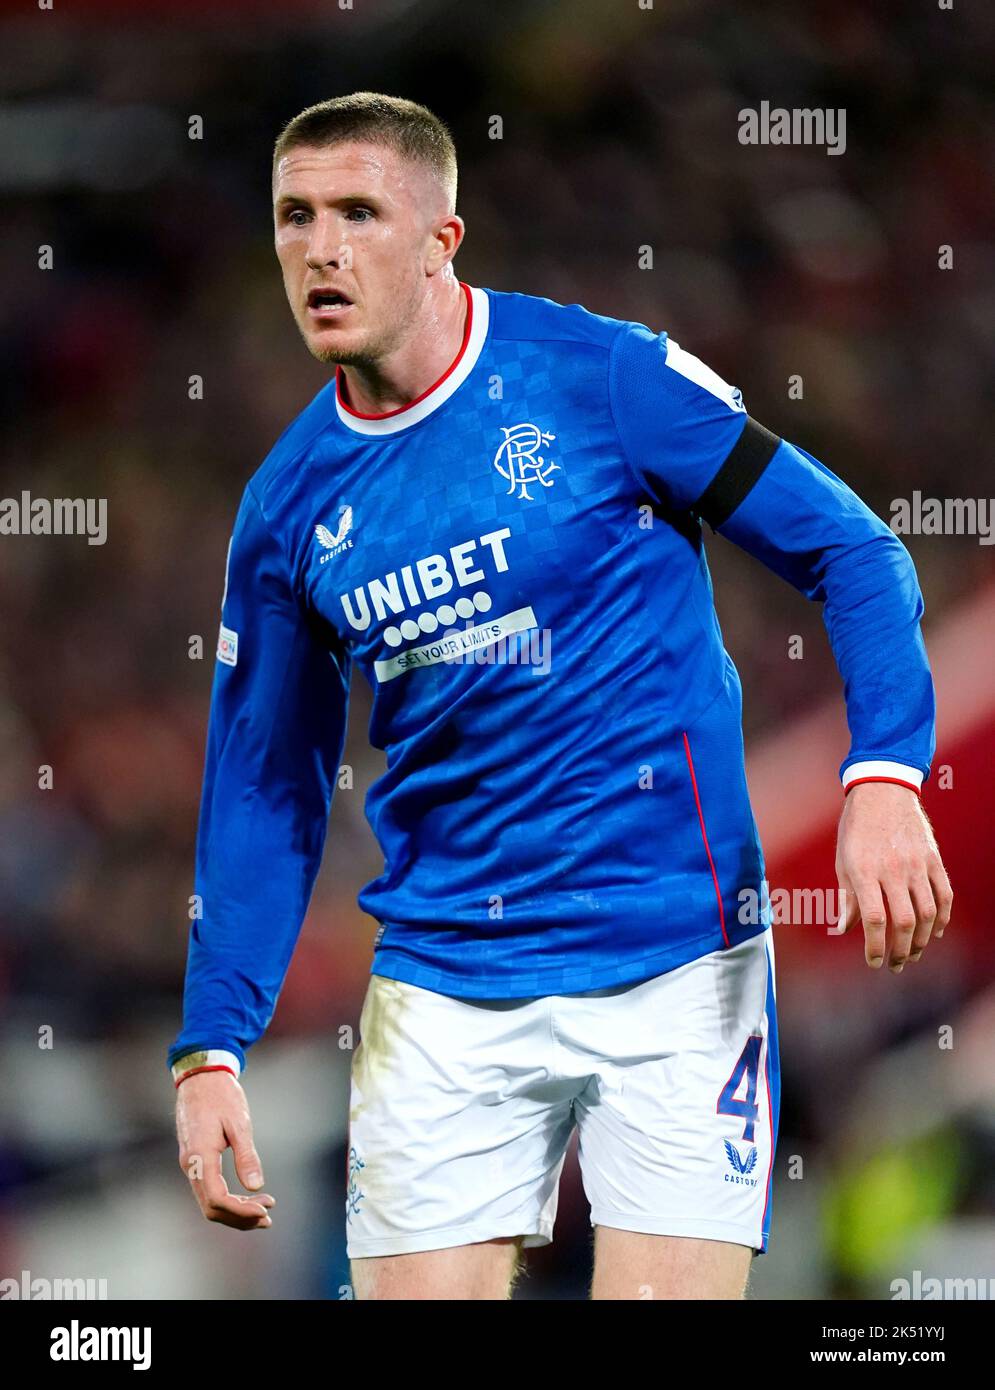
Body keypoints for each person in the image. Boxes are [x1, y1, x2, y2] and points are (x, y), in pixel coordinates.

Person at [170, 92, 953, 1300]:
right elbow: (265, 786)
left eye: (359, 213)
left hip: (677, 960)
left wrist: (885, 773)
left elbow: (853, 552)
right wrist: (211, 1042)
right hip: (441, 985)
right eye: (294, 216)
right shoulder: (286, 508)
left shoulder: (604, 379)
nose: (320, 248)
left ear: (441, 238)